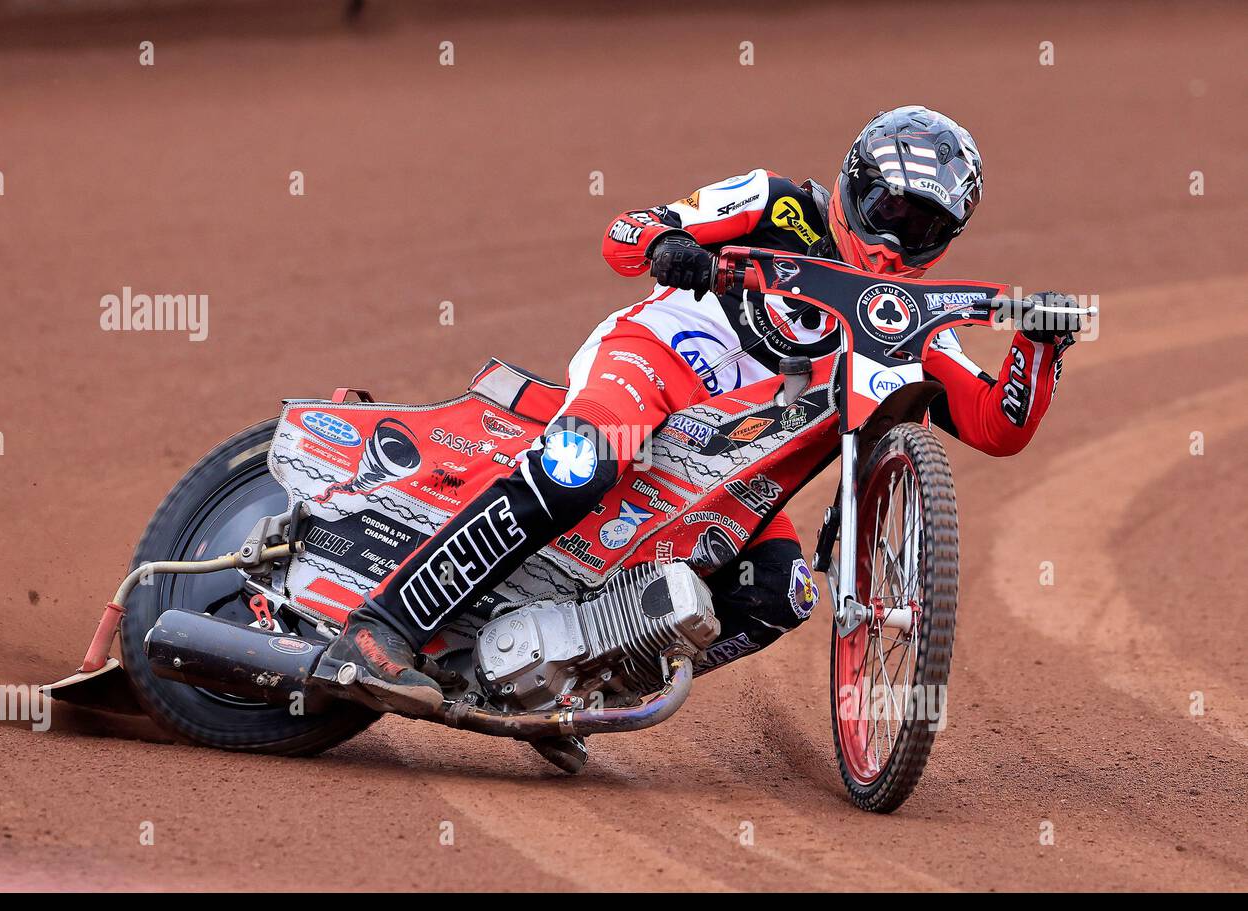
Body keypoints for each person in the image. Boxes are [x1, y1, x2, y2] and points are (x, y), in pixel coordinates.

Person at [323, 106, 1081, 741]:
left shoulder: (907, 324)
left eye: (921, 230)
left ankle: (577, 689)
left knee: (782, 591)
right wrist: (670, 245)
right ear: (854, 187)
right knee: (584, 463)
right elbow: (626, 231)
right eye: (889, 211)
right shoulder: (777, 202)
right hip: (653, 367)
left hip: (731, 464)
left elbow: (995, 424)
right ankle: (382, 624)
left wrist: (1037, 346)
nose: (893, 241)